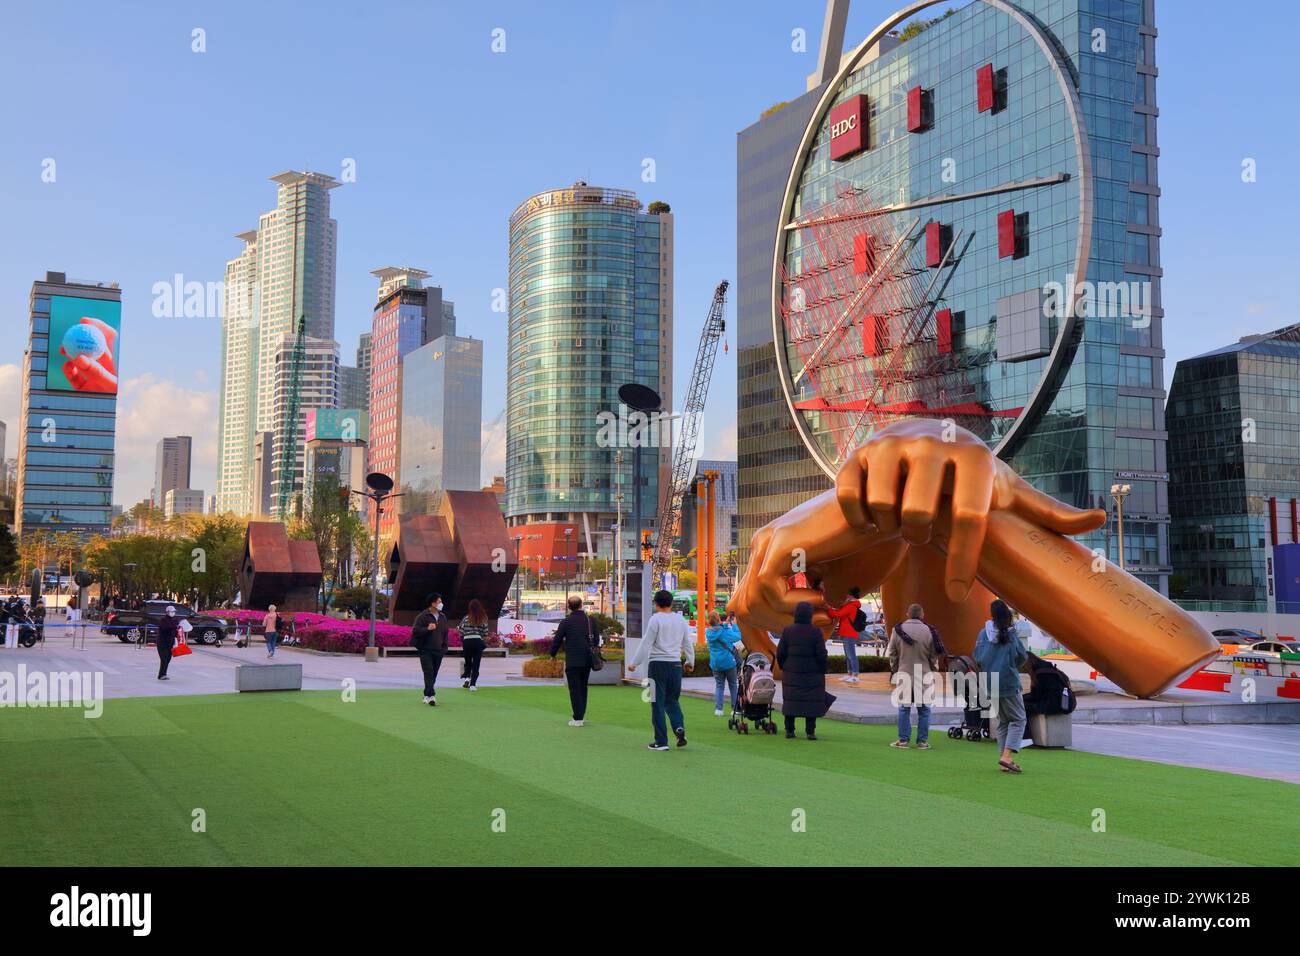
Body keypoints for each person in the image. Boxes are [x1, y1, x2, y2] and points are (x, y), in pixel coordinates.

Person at [627, 589, 695, 751]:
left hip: (657, 665)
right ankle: (679, 728)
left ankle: (661, 741)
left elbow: (646, 643)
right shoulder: (680, 620)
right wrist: (690, 661)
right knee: (673, 700)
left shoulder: (655, 619)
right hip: (676, 665)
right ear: (671, 603)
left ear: (656, 604)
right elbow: (687, 643)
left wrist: (634, 663)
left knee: (657, 703)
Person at [975, 599, 1029, 773]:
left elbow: (977, 657)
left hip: (989, 682)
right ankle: (1007, 757)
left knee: (1003, 721)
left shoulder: (983, 634)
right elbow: (1022, 656)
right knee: (1019, 719)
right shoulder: (1010, 634)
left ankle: (1004, 758)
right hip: (1008, 681)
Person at [776, 601, 834, 740]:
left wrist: (785, 667)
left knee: (791, 701)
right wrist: (823, 668)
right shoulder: (815, 632)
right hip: (812, 674)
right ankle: (810, 732)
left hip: (791, 673)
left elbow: (780, 653)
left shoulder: (787, 631)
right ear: (810, 615)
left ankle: (789, 730)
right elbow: (822, 654)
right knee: (811, 703)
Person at [886, 603, 939, 749]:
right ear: (922, 615)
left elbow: (892, 653)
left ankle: (903, 740)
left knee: (904, 708)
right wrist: (933, 670)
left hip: (905, 673)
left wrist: (895, 669)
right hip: (924, 674)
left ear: (907, 614)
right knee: (924, 709)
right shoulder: (929, 631)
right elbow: (934, 655)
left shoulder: (897, 630)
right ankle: (922, 741)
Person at [549, 596, 599, 725]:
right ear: (581, 605)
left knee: (574, 689)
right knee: (583, 687)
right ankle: (581, 715)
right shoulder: (590, 620)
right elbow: (597, 640)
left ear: (569, 606)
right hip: (587, 659)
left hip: (572, 660)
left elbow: (557, 640)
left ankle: (578, 718)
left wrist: (552, 654)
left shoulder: (566, 622)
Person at [411, 593, 449, 706]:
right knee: (428, 672)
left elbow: (445, 633)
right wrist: (427, 629)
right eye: (439, 602)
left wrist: (445, 647)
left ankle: (426, 695)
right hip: (425, 649)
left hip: (439, 650)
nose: (441, 604)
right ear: (432, 603)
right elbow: (415, 631)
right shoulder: (422, 616)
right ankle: (431, 695)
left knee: (434, 673)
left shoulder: (443, 617)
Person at [705, 611, 741, 716]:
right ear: (719, 620)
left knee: (719, 685)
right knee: (733, 685)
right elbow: (737, 637)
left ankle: (719, 709)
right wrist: (734, 624)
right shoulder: (724, 632)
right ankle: (734, 709)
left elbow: (718, 630)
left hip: (716, 662)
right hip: (729, 662)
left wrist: (725, 624)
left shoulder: (708, 632)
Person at [826, 586, 864, 683]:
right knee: (848, 655)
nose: (846, 596)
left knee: (851, 655)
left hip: (849, 633)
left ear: (851, 596)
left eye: (848, 594)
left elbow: (837, 614)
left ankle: (855, 675)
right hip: (848, 633)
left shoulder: (851, 606)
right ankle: (850, 674)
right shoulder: (852, 605)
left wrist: (828, 609)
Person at [458, 599, 490, 691]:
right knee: (476, 663)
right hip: (477, 641)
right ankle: (472, 685)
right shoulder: (483, 618)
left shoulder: (466, 618)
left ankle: (467, 677)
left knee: (468, 662)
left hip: (467, 641)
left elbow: (461, 631)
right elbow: (485, 632)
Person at [157, 605, 180, 680]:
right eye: (171, 612)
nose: (173, 613)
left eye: (174, 612)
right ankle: (161, 675)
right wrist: (175, 626)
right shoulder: (163, 620)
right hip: (162, 643)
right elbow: (165, 628)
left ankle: (164, 674)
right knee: (164, 658)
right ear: (167, 612)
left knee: (168, 658)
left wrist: (178, 633)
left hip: (170, 643)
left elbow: (175, 631)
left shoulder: (175, 620)